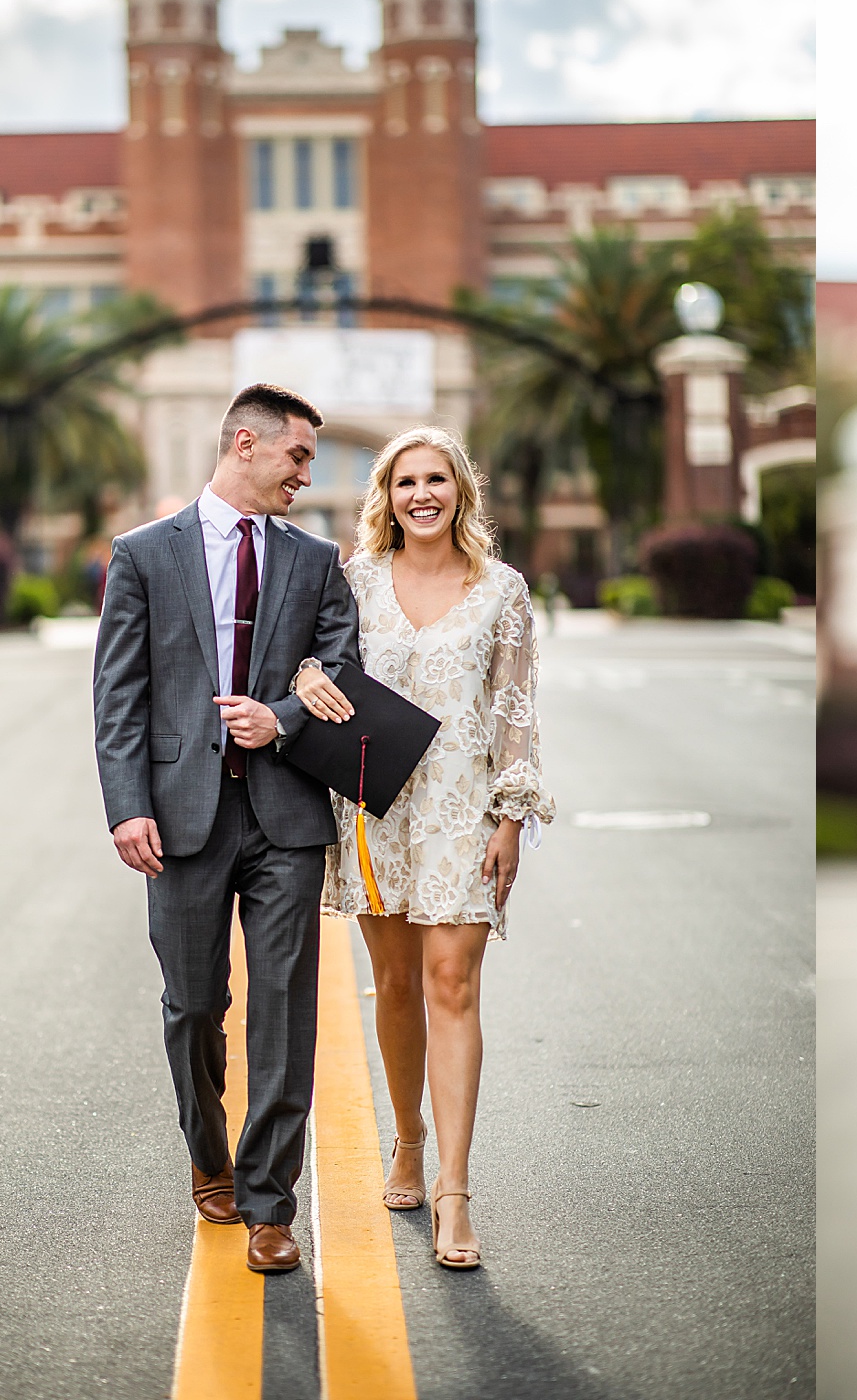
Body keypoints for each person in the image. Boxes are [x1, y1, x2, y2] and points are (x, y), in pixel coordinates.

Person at [92, 383, 361, 1274]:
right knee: (194, 1005)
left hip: (287, 816)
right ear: (246, 443)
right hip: (178, 817)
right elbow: (119, 693)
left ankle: (270, 1204)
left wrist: (281, 716)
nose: (305, 474)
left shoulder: (316, 559)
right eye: (298, 455)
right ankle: (208, 1156)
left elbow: (345, 668)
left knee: (284, 1010)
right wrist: (128, 804)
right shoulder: (143, 554)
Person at [292, 426, 553, 1269]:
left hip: (463, 811)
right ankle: (406, 1139)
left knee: (453, 984)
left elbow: (515, 709)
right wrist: (305, 677)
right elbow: (308, 661)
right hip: (376, 810)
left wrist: (512, 817)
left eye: (436, 479)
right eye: (406, 482)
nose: (422, 495)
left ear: (460, 490)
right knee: (398, 984)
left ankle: (455, 1191)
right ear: (388, 497)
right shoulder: (355, 580)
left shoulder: (502, 590)